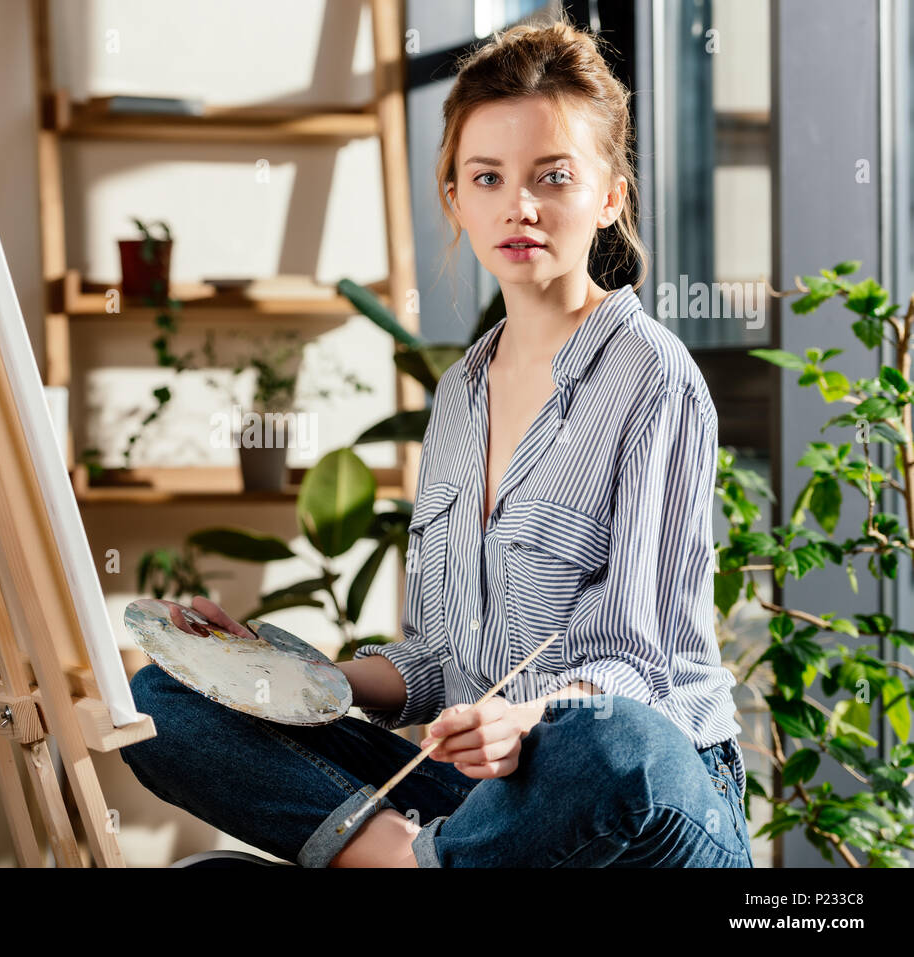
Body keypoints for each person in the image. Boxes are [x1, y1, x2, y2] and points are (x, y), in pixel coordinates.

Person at [121, 15, 753, 868]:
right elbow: (438, 657)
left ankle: (402, 860)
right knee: (165, 701)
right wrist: (294, 678)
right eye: (487, 177)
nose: (518, 206)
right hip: (482, 811)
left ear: (608, 194)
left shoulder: (654, 378)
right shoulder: (459, 397)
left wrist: (525, 719)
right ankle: (412, 858)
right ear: (456, 195)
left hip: (640, 807)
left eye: (553, 177)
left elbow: (637, 665)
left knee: (611, 746)